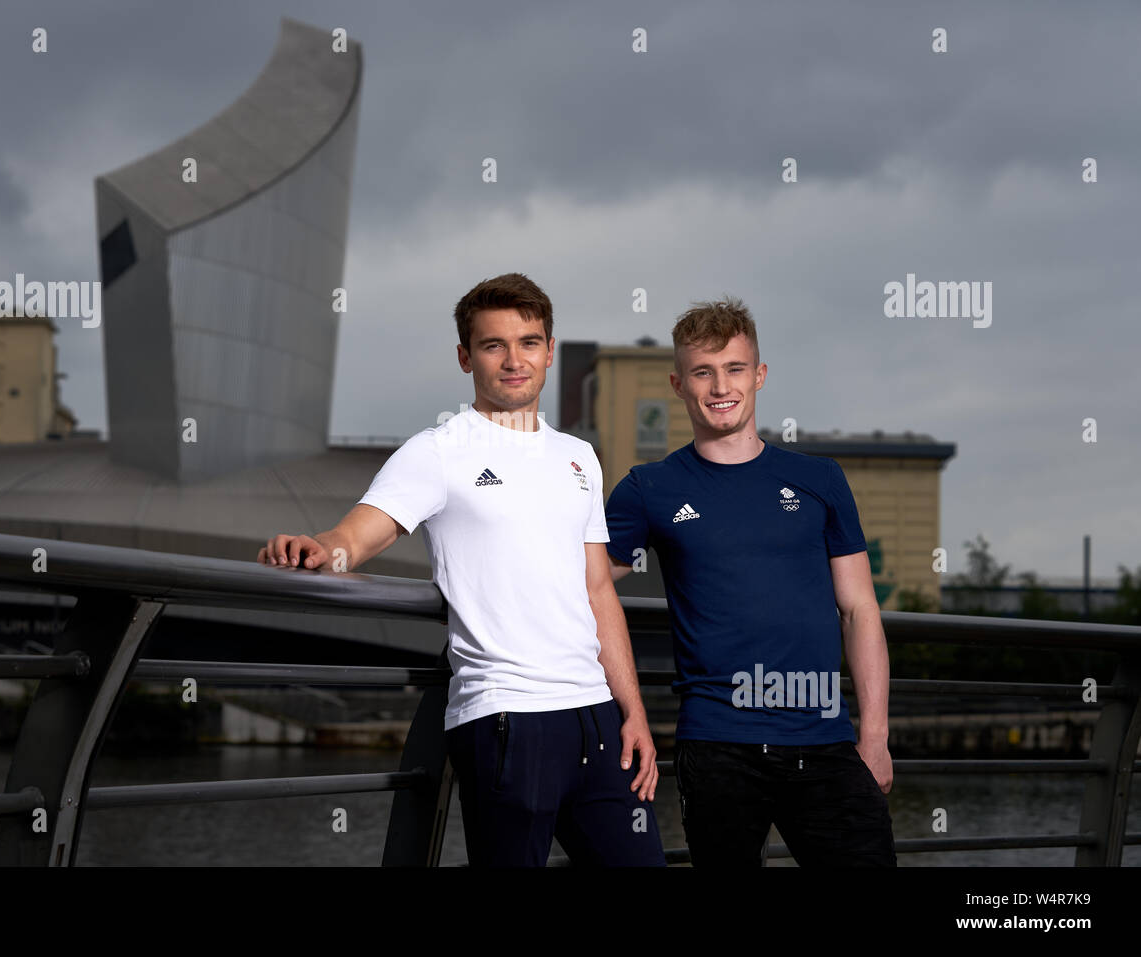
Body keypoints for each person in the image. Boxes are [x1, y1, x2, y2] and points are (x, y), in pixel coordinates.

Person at [259, 272, 664, 867]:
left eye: (528, 342)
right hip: (506, 719)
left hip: (597, 722)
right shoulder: (437, 451)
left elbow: (598, 588)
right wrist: (320, 550)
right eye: (493, 345)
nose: (513, 360)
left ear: (549, 351)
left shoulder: (578, 457)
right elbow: (357, 534)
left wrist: (633, 711)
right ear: (465, 357)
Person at [605, 296, 896, 867]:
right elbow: (583, 583)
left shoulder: (820, 479)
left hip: (826, 741)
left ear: (758, 375)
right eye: (703, 372)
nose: (720, 385)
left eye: (734, 368)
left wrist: (876, 736)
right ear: (679, 383)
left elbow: (860, 609)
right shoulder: (648, 488)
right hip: (716, 744)